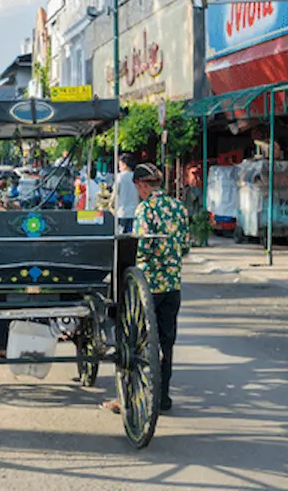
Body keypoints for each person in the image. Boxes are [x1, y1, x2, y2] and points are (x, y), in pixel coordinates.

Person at [116, 162, 189, 414]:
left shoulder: (145, 210)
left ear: (143, 185)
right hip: (172, 286)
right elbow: (186, 247)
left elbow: (142, 248)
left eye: (138, 186)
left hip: (148, 288)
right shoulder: (179, 208)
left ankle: (132, 395)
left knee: (137, 342)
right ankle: (163, 397)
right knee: (167, 343)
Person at [113, 154, 139, 234]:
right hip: (134, 212)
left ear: (124, 165)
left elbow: (115, 192)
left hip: (122, 212)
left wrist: (110, 203)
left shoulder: (120, 177)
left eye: (120, 165)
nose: (119, 167)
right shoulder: (136, 177)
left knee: (120, 236)